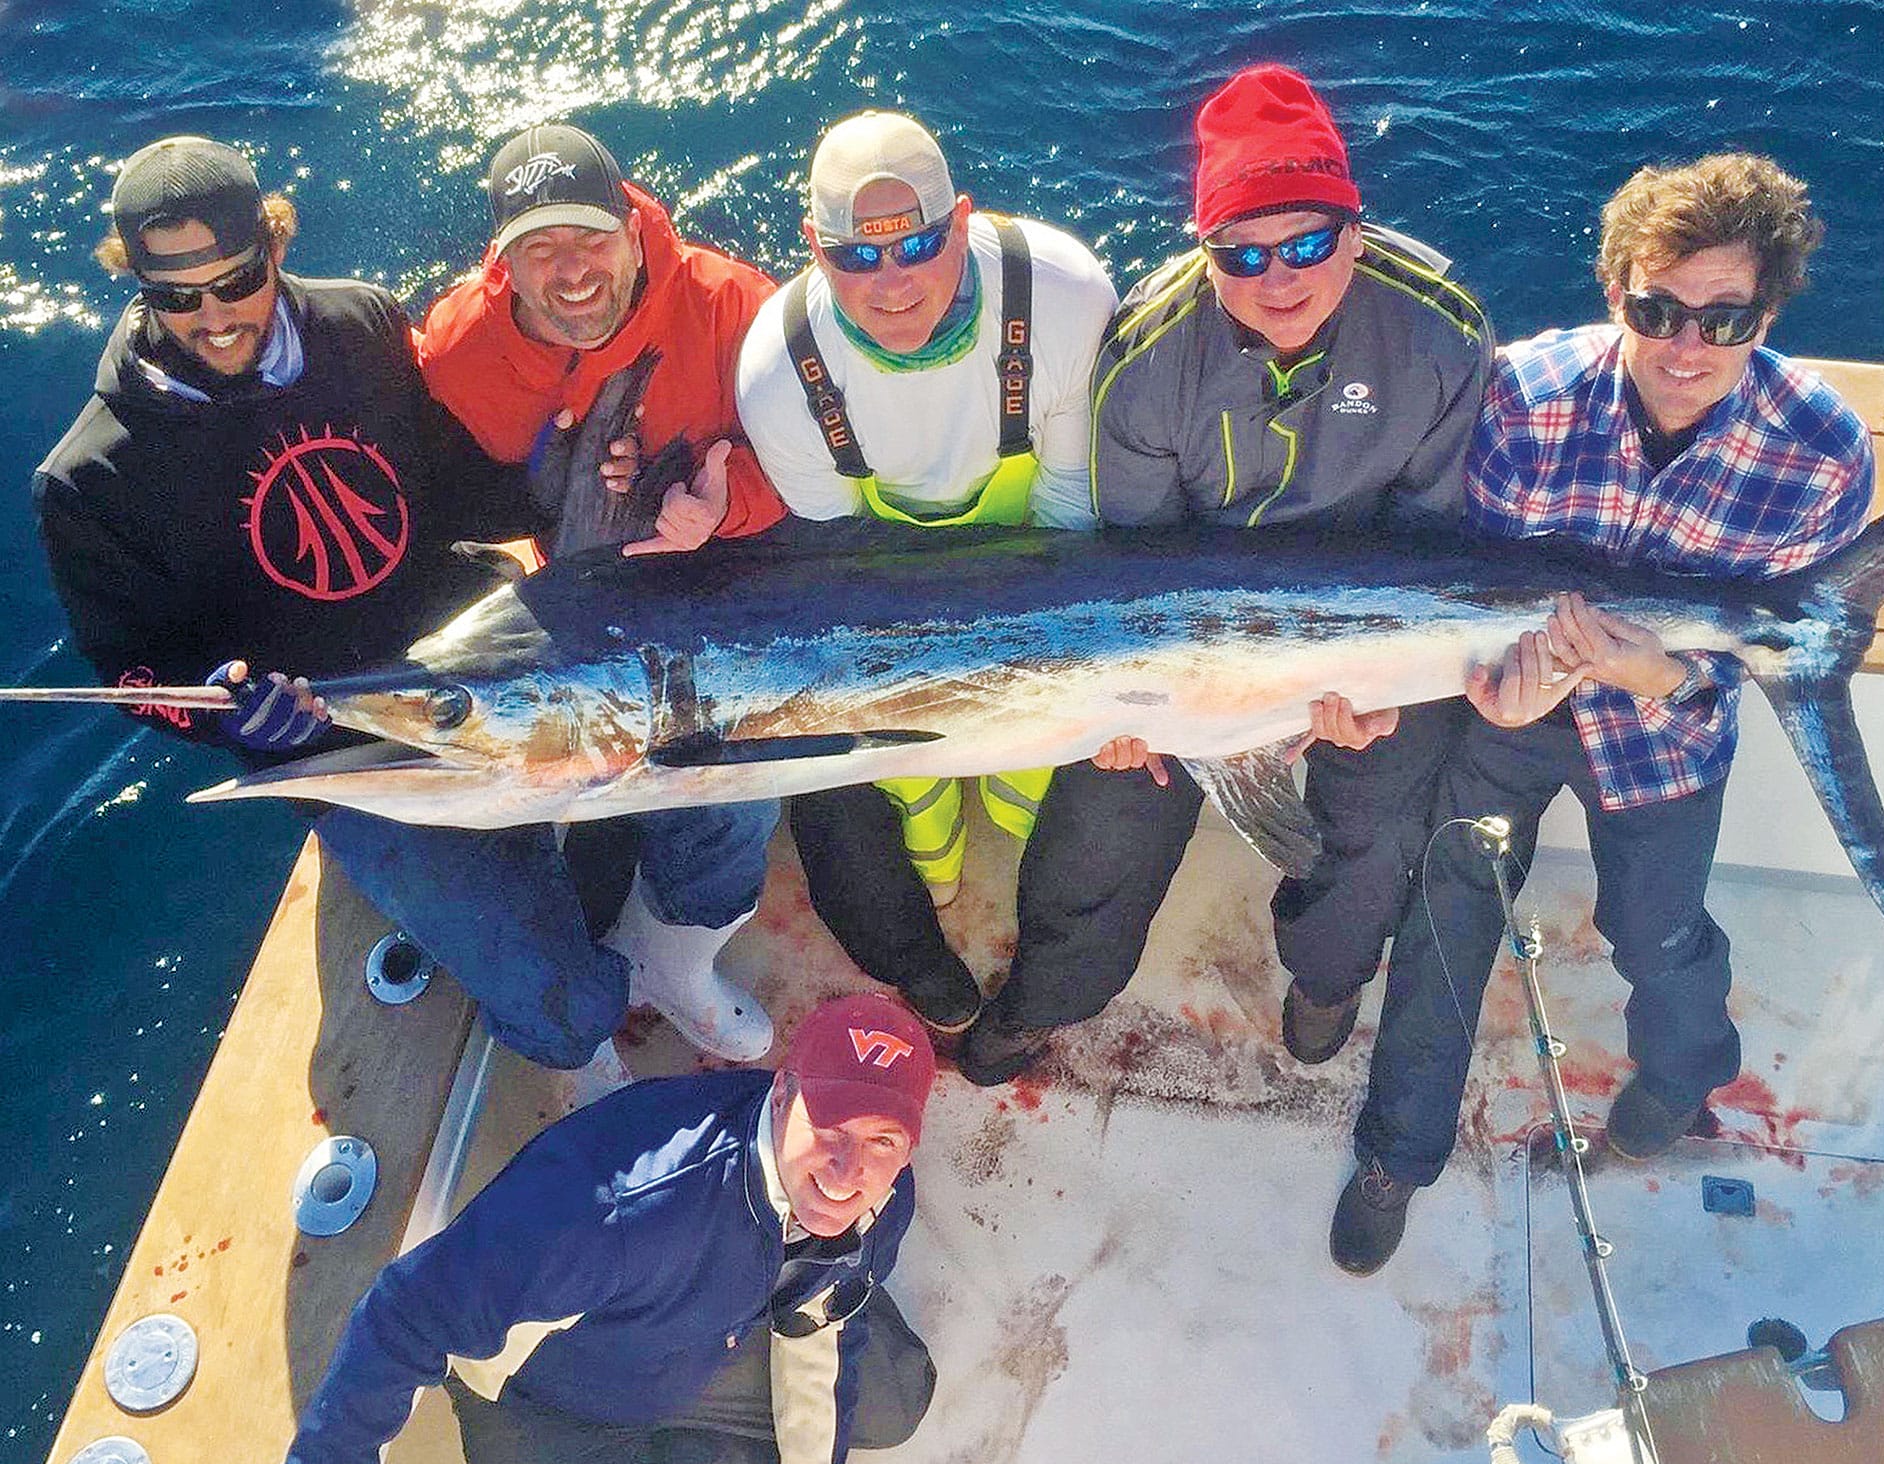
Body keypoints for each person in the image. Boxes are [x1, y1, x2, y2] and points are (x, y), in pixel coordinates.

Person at [1331, 152, 1874, 1275]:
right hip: (1514, 711)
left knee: (1654, 933)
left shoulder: (1822, 455)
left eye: (1723, 320)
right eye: (1656, 310)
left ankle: (1682, 1076)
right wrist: (1492, 689)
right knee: (1447, 916)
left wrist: (1658, 678)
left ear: (1767, 317)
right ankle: (1396, 1153)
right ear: (1613, 291)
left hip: (1666, 723)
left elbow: (1773, 647)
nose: (1685, 347)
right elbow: (1463, 595)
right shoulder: (1520, 396)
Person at [30, 135, 650, 1074]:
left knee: (702, 800)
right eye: (175, 297)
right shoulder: (86, 479)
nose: (214, 318)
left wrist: (547, 483)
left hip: (484, 657)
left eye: (236, 281)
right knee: (572, 1021)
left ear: (274, 246)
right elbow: (131, 674)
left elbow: (452, 489)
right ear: (138, 285)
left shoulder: (361, 321)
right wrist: (222, 709)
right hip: (347, 749)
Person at [954, 64, 1493, 1085]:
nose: (1276, 278)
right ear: (1205, 253)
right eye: (1241, 253)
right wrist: (1132, 710)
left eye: (1306, 243)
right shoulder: (1146, 357)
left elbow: (1426, 545)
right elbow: (1138, 573)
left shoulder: (1442, 331)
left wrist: (1370, 688)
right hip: (1184, 649)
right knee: (1098, 825)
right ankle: (1045, 998)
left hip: (1364, 630)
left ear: (1355, 228)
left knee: (1378, 823)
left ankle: (1327, 975)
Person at [734, 109, 1118, 1033]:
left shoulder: (1065, 293)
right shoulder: (777, 374)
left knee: (1035, 798)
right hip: (885, 604)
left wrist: (1022, 689)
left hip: (1041, 584)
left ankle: (1013, 813)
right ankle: (935, 871)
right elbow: (846, 569)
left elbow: (1070, 510)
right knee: (923, 839)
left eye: (917, 244)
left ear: (964, 220)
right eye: (856, 256)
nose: (892, 281)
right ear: (813, 247)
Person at [418, 122, 791, 1064]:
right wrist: (533, 494)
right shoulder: (455, 351)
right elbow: (437, 500)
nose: (572, 269)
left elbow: (821, 466)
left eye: (590, 237)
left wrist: (728, 504)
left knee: (735, 797)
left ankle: (678, 957)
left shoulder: (739, 306)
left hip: (717, 584)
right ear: (503, 261)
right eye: (540, 247)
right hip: (567, 596)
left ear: (631, 229)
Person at [272, 992, 938, 1464]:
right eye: (830, 1126)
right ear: (783, 1093)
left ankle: (699, 1458)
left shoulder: (879, 1200)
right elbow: (406, 1317)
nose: (848, 1170)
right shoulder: (616, 1210)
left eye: (882, 1140)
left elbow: (822, 1314)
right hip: (545, 1405)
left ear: (908, 1147)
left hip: (707, 1338)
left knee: (897, 1397)